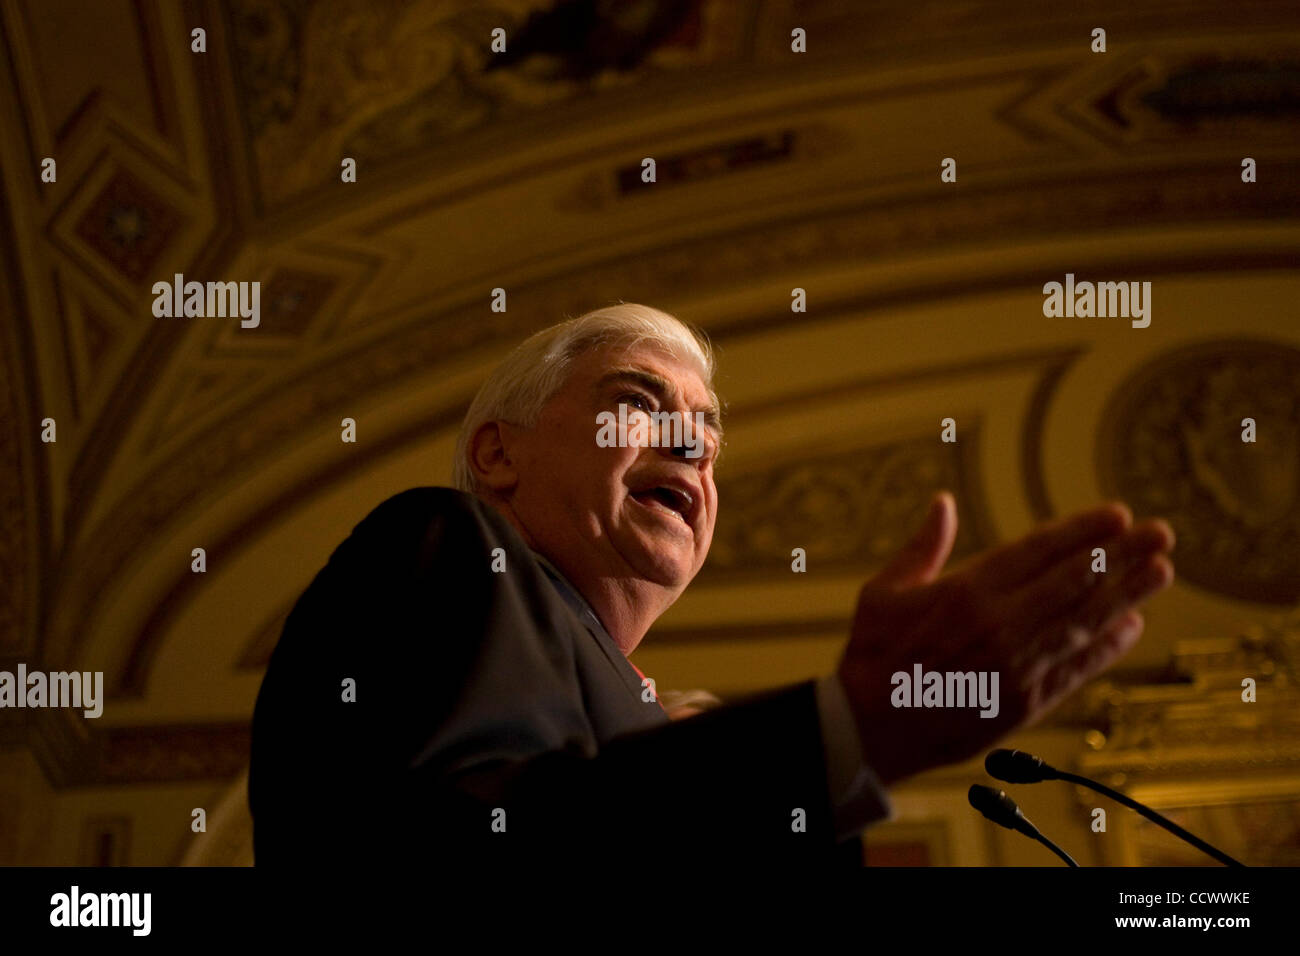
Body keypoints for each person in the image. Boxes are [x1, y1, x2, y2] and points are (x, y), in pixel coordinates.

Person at [248, 303, 1174, 867]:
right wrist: (847, 729)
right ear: (499, 451)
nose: (692, 446)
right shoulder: (448, 543)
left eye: (708, 434)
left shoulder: (665, 719)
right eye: (638, 404)